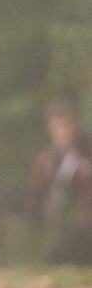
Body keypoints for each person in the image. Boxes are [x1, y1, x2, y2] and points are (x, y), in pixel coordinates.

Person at [31, 96, 92, 265]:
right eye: (60, 125)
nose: (66, 131)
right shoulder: (46, 161)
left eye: (69, 124)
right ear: (50, 127)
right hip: (60, 227)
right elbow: (37, 199)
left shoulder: (87, 153)